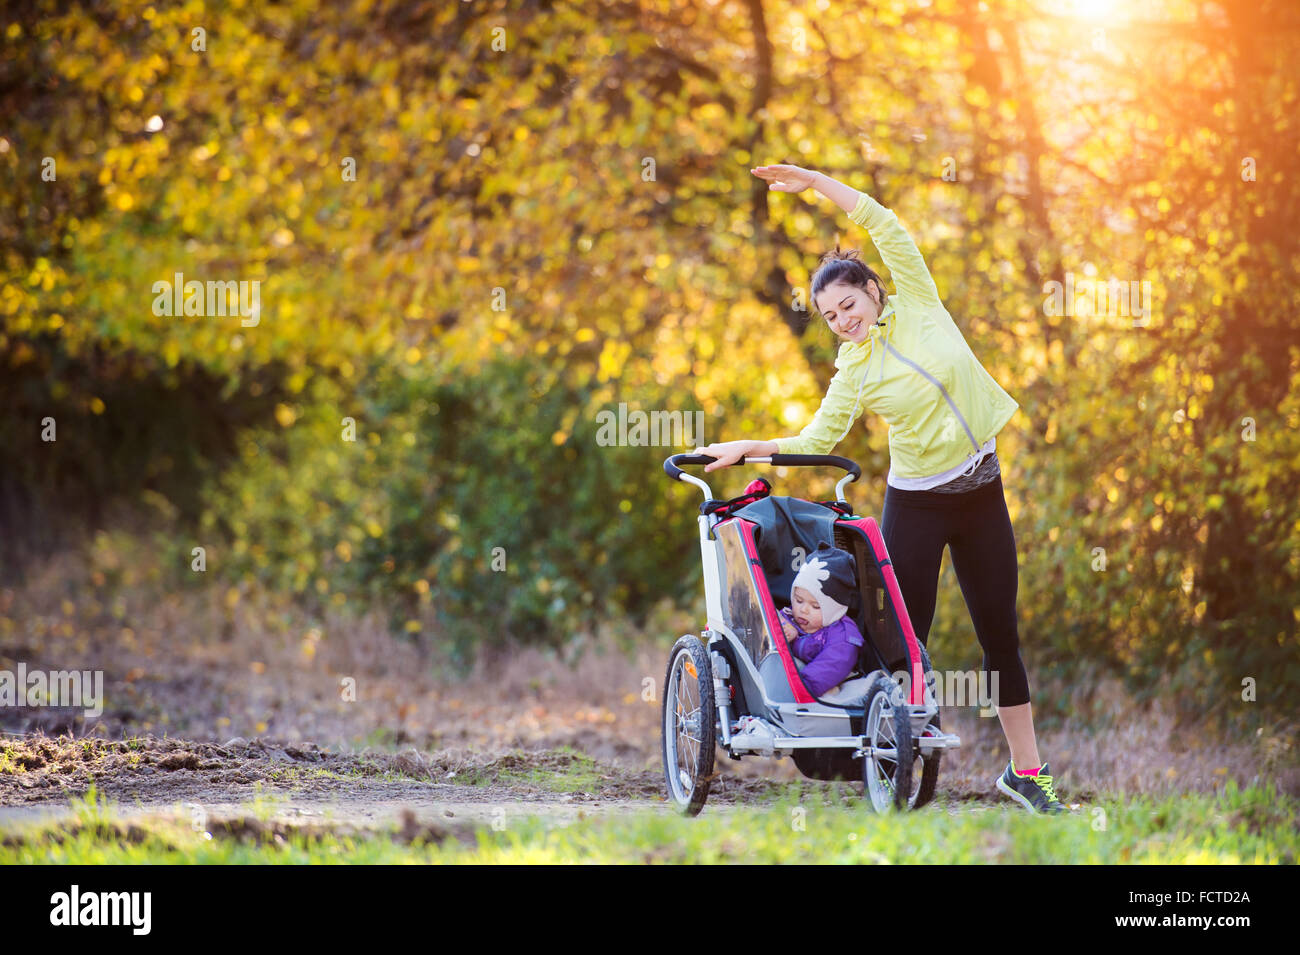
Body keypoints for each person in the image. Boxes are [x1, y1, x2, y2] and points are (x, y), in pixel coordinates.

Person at [694, 163, 1068, 814]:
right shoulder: (855, 370)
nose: (843, 319)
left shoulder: (917, 296)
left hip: (982, 489)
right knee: (902, 638)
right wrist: (748, 447)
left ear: (872, 289)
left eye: (849, 304)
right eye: (832, 316)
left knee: (999, 636)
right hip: (917, 503)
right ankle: (881, 757)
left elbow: (880, 219)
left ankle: (1026, 773)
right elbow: (816, 437)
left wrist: (813, 181)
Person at [778, 544, 863, 698]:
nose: (803, 610)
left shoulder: (843, 637)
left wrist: (803, 687)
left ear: (834, 610)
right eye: (798, 600)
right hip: (787, 674)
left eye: (815, 606)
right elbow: (769, 618)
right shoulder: (792, 616)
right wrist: (785, 626)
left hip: (817, 682)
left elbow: (832, 664)